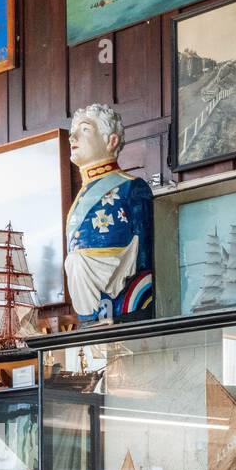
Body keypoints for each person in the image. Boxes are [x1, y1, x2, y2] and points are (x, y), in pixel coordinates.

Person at [64, 104, 155, 323]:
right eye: (72, 132)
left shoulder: (131, 187)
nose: (72, 137)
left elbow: (146, 251)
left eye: (84, 129)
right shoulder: (80, 195)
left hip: (125, 304)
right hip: (89, 305)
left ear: (111, 141)